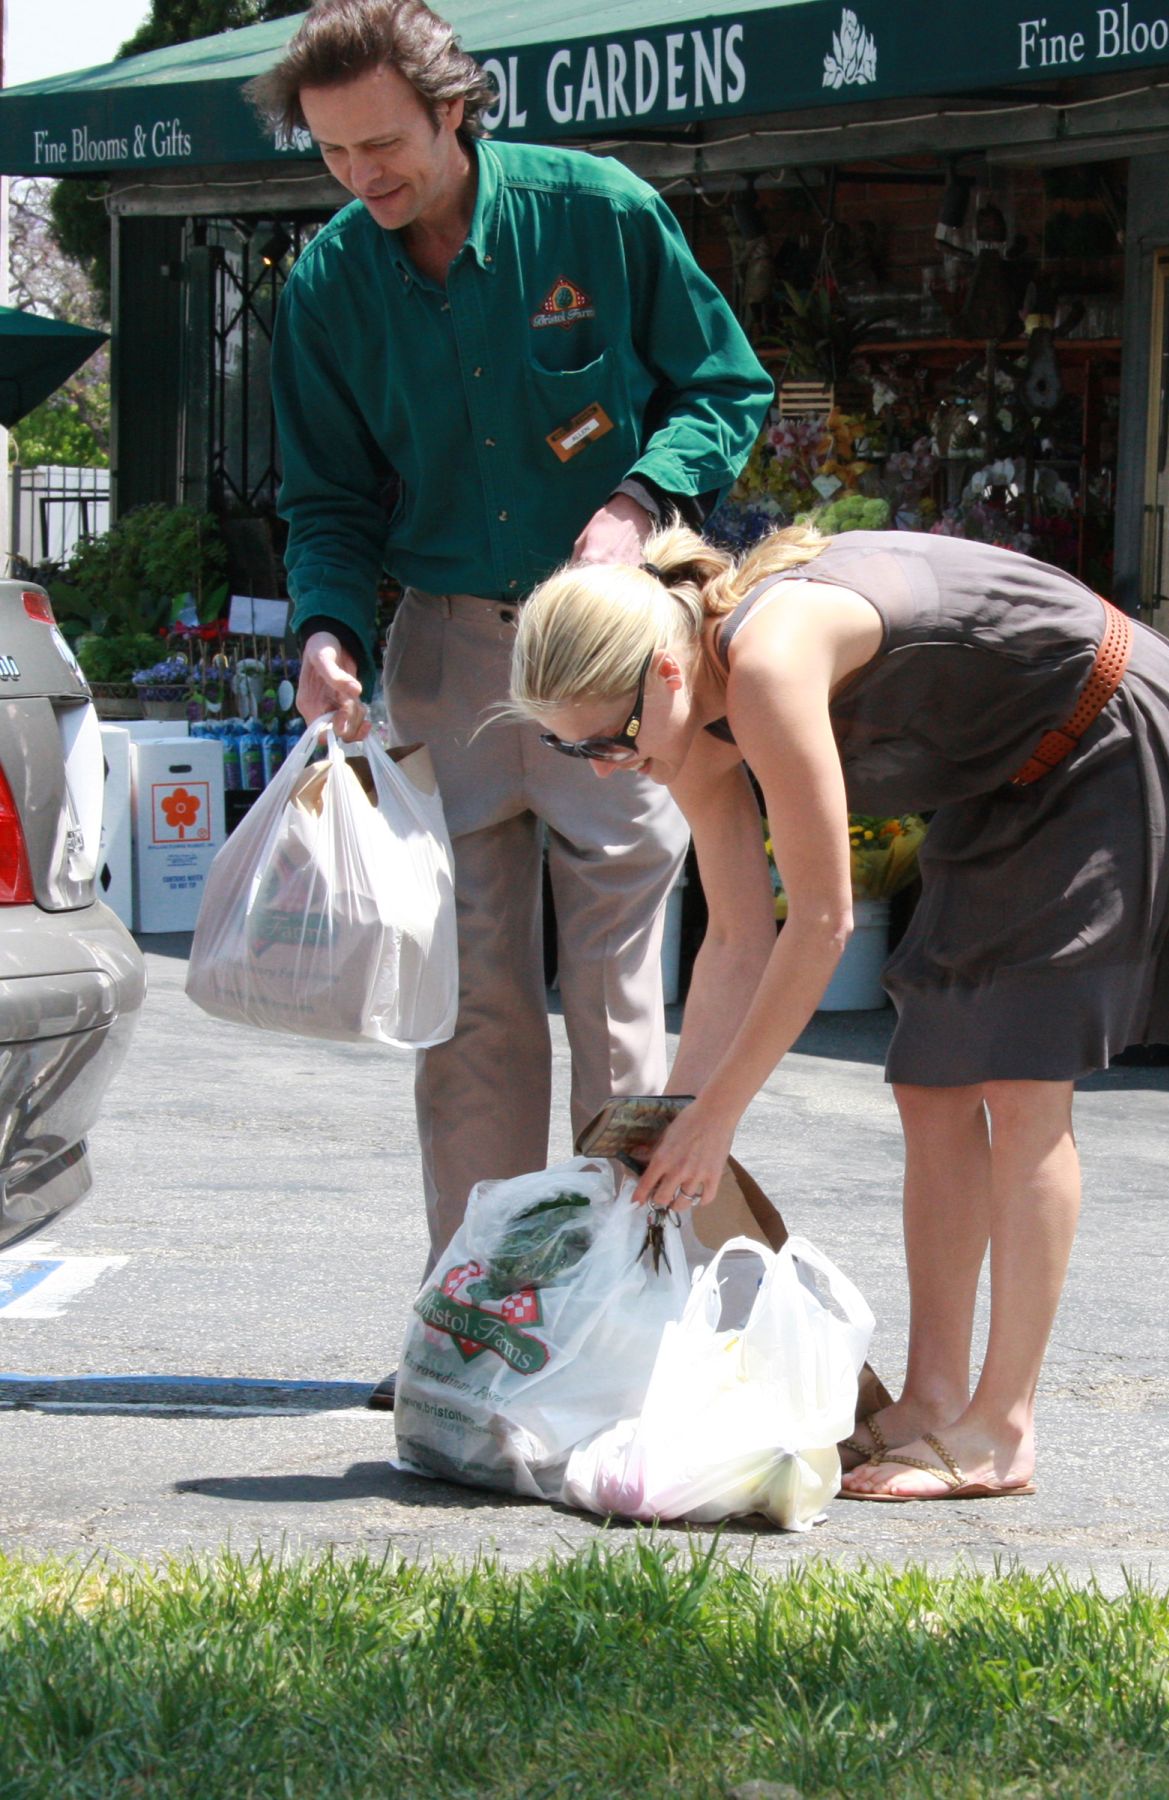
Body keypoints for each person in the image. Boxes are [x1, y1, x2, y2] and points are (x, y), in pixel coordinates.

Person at [246, 0, 772, 1407]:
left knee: (623, 1001)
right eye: (332, 153)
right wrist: (325, 631)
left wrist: (639, 500)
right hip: (448, 647)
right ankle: (470, 1323)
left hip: (613, 637)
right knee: (466, 1008)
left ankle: (628, 1312)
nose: (361, 175)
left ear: (452, 110)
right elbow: (326, 500)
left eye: (383, 144)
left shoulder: (597, 210)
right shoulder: (327, 284)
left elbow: (726, 385)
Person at [506, 524, 1169, 1501]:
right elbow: (735, 940)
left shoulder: (767, 662)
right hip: (1004, 770)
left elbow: (821, 921)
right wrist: (674, 1118)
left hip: (1107, 730)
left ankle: (1002, 1430)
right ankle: (932, 1400)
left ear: (666, 673)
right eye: (573, 748)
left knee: (1021, 1084)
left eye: (608, 739)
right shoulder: (685, 726)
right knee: (932, 1085)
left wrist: (718, 1117)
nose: (603, 767)